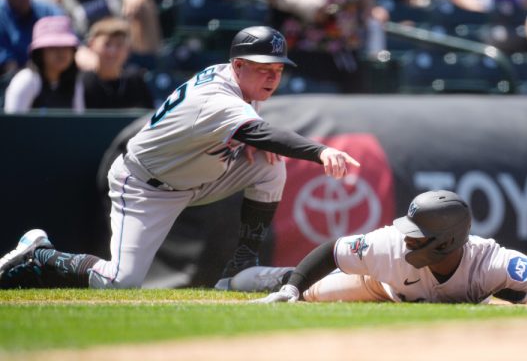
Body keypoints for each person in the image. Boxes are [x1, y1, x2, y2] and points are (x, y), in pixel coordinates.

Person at [0, 26, 361, 290]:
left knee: (269, 166)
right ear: (237, 65)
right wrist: (321, 150)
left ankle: (241, 262)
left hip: (198, 177)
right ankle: (40, 254)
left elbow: (254, 132)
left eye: (278, 69)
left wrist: (252, 137)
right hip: (146, 186)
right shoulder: (216, 97)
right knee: (120, 282)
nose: (272, 76)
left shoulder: (242, 84)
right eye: (263, 67)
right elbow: (260, 132)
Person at [254, 190, 527, 304]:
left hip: (408, 292)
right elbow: (331, 250)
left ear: (448, 241)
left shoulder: (490, 261)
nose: (407, 237)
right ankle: (264, 278)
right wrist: (292, 286)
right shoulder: (387, 244)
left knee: (517, 297)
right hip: (377, 284)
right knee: (300, 293)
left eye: (417, 234)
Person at [3, 15, 84, 113]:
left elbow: (78, 123)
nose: (61, 53)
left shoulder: (75, 82)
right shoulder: (26, 80)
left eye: (66, 47)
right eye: (53, 47)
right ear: (40, 53)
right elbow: (13, 125)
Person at [81, 16, 154, 109]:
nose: (112, 52)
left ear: (128, 49)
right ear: (92, 45)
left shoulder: (136, 80)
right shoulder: (82, 82)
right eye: (107, 44)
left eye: (119, 45)